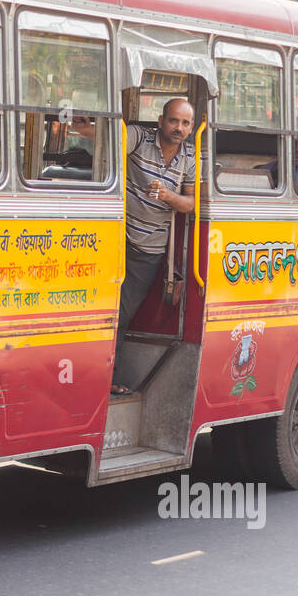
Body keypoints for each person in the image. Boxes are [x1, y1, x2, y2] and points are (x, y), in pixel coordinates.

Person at [113, 97, 197, 395]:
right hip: (115, 238)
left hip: (149, 249)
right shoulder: (139, 136)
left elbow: (189, 203)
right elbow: (110, 143)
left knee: (120, 314)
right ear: (160, 121)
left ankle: (109, 378)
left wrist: (167, 197)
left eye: (186, 123)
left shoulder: (189, 155)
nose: (179, 128)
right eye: (174, 121)